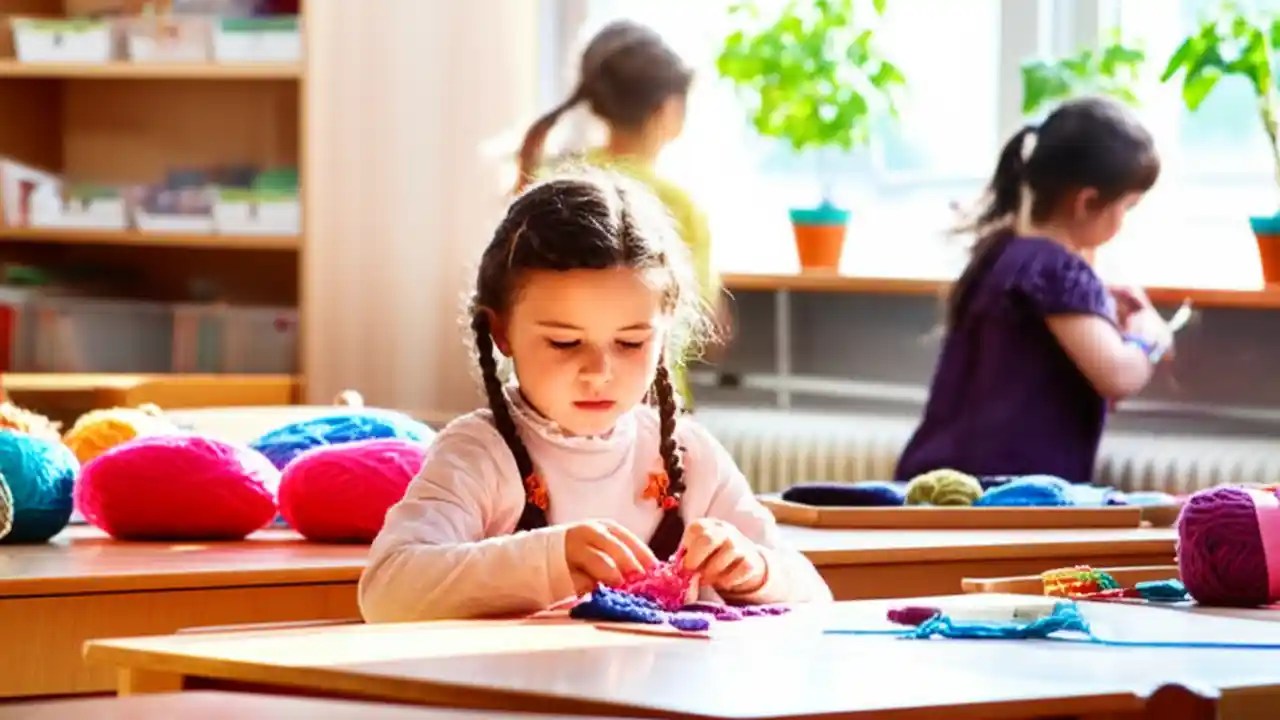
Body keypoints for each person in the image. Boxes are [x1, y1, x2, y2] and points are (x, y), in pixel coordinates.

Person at [359, 170, 831, 622]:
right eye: (564, 342)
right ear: (502, 332)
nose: (598, 373)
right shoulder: (479, 454)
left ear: (663, 337)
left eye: (630, 343)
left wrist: (755, 570)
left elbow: (815, 596)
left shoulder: (690, 457)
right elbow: (386, 592)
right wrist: (550, 559)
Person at [894, 96, 1172, 486]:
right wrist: (1147, 337)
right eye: (1127, 206)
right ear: (1088, 201)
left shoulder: (1000, 252)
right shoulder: (1056, 270)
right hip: (1009, 493)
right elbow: (1117, 376)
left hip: (941, 480)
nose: (1124, 221)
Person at [514, 19, 720, 406]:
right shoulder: (680, 206)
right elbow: (697, 319)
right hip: (649, 402)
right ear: (669, 109)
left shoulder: (546, 179)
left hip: (546, 399)